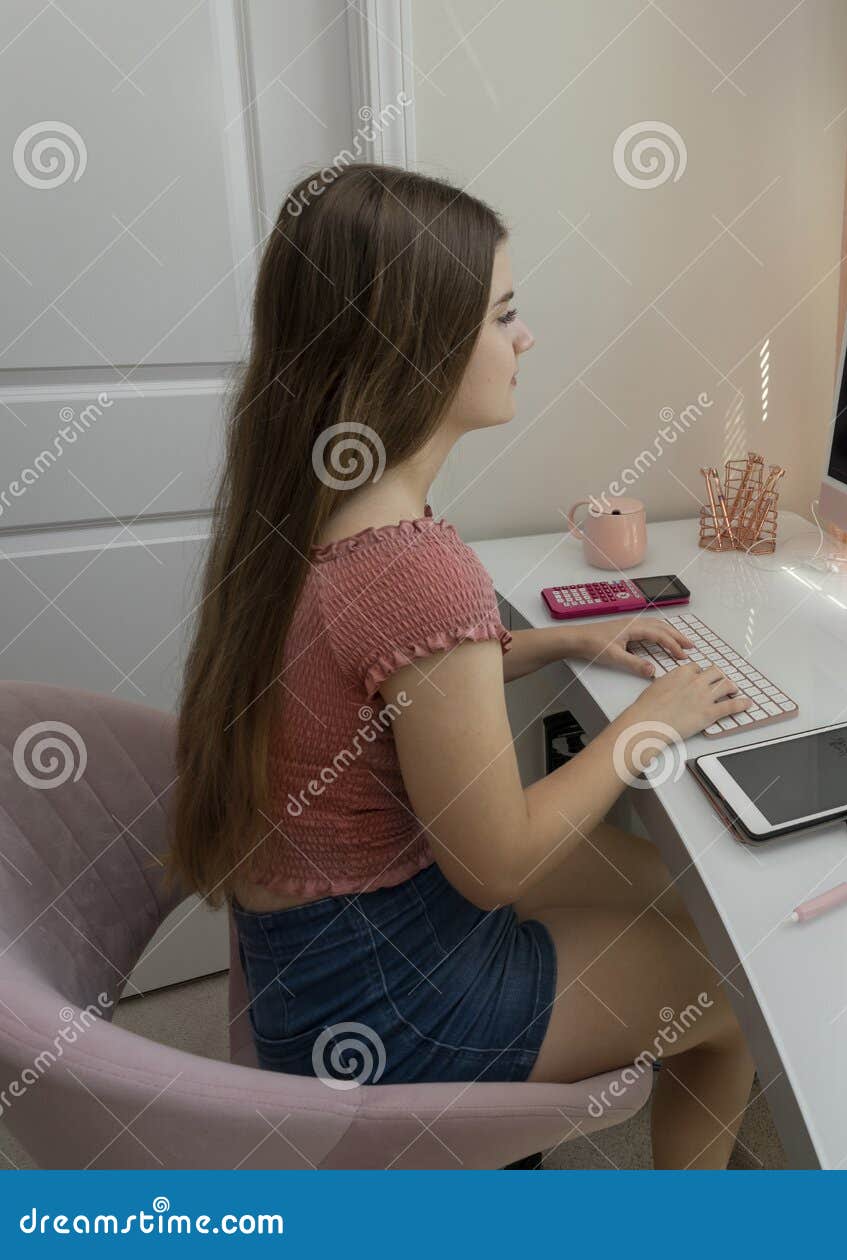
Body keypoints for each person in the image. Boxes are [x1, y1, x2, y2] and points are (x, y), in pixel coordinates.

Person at [171, 163, 755, 1169]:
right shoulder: (413, 567)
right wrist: (650, 723)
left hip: (309, 957)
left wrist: (559, 641)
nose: (526, 339)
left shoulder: (310, 504)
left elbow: (380, 683)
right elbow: (496, 869)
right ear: (415, 344)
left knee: (665, 882)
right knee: (726, 995)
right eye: (504, 316)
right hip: (383, 1005)